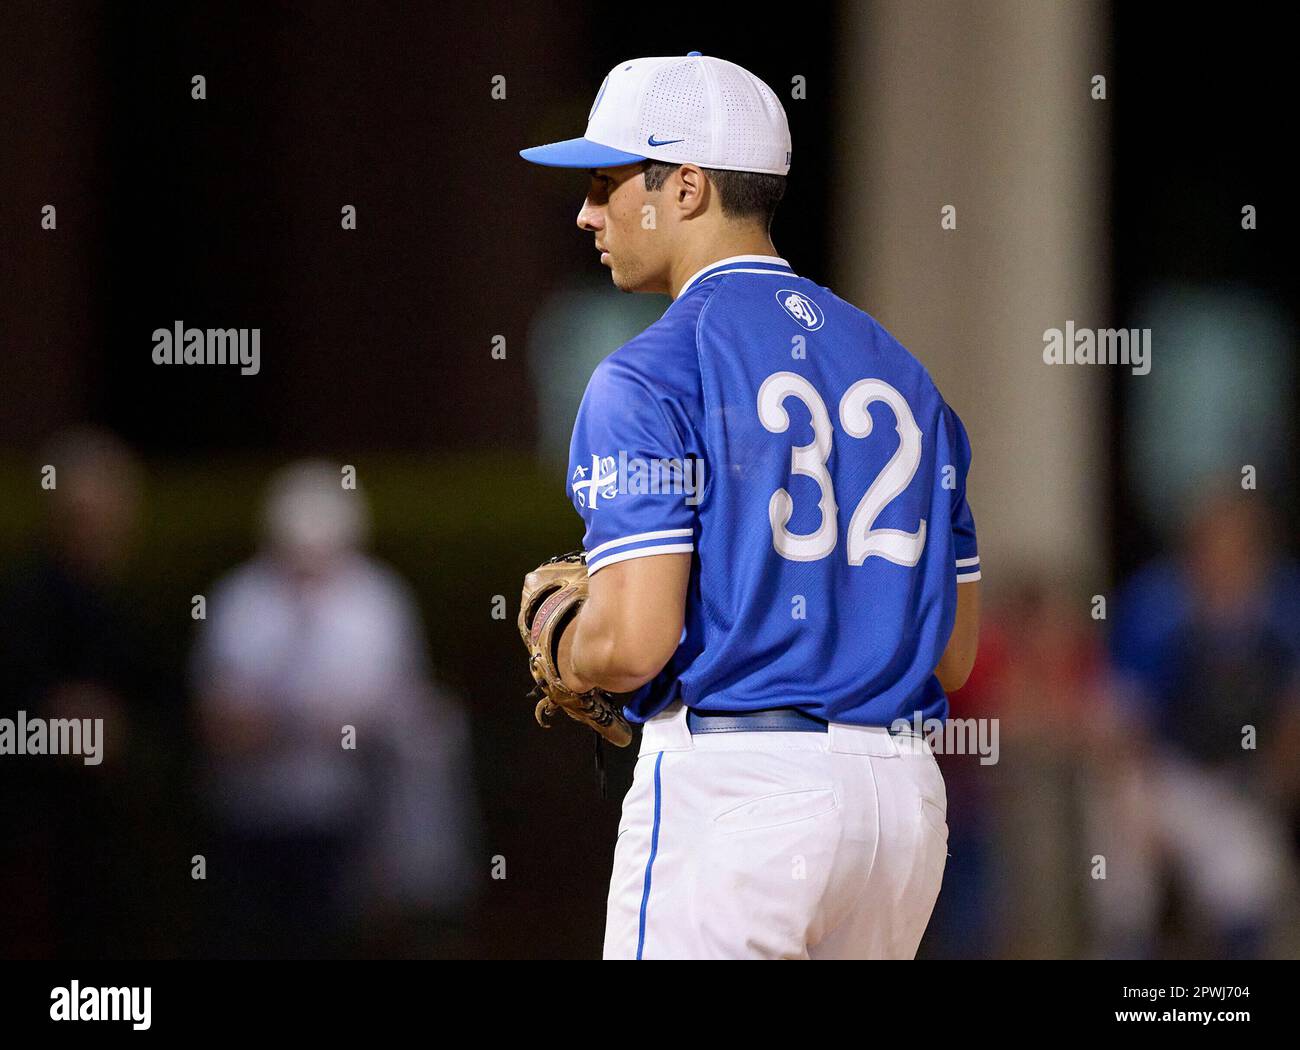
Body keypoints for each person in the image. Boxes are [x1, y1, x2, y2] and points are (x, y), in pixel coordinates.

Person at [519, 52, 981, 959]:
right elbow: (955, 651)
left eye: (607, 181)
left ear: (685, 187)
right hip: (900, 806)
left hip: (742, 791)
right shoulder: (904, 374)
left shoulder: (650, 373)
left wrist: (562, 639)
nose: (586, 211)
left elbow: (635, 641)